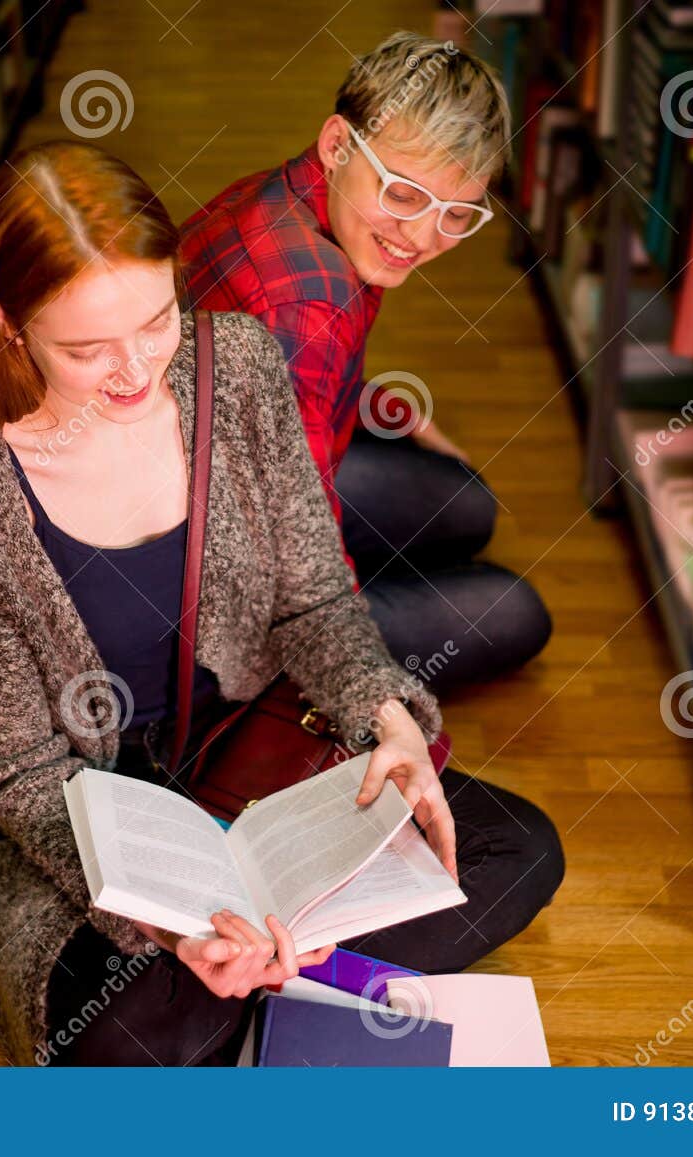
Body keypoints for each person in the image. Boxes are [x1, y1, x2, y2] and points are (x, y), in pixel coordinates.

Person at [0, 140, 563, 1066]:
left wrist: (386, 718)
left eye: (158, 321)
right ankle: (276, 974)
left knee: (514, 848)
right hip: (65, 826)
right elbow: (13, 769)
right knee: (126, 1032)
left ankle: (258, 975)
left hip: (229, 756)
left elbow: (314, 599)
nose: (137, 372)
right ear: (14, 327)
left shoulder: (238, 367)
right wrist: (166, 924)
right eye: (87, 349)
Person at [180, 31, 551, 696]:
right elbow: (299, 547)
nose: (423, 237)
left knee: (468, 502)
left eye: (457, 213)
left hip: (214, 480)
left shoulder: (286, 196)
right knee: (515, 612)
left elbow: (278, 363)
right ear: (337, 144)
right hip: (215, 584)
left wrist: (378, 402)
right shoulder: (311, 306)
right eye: (405, 196)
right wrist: (363, 685)